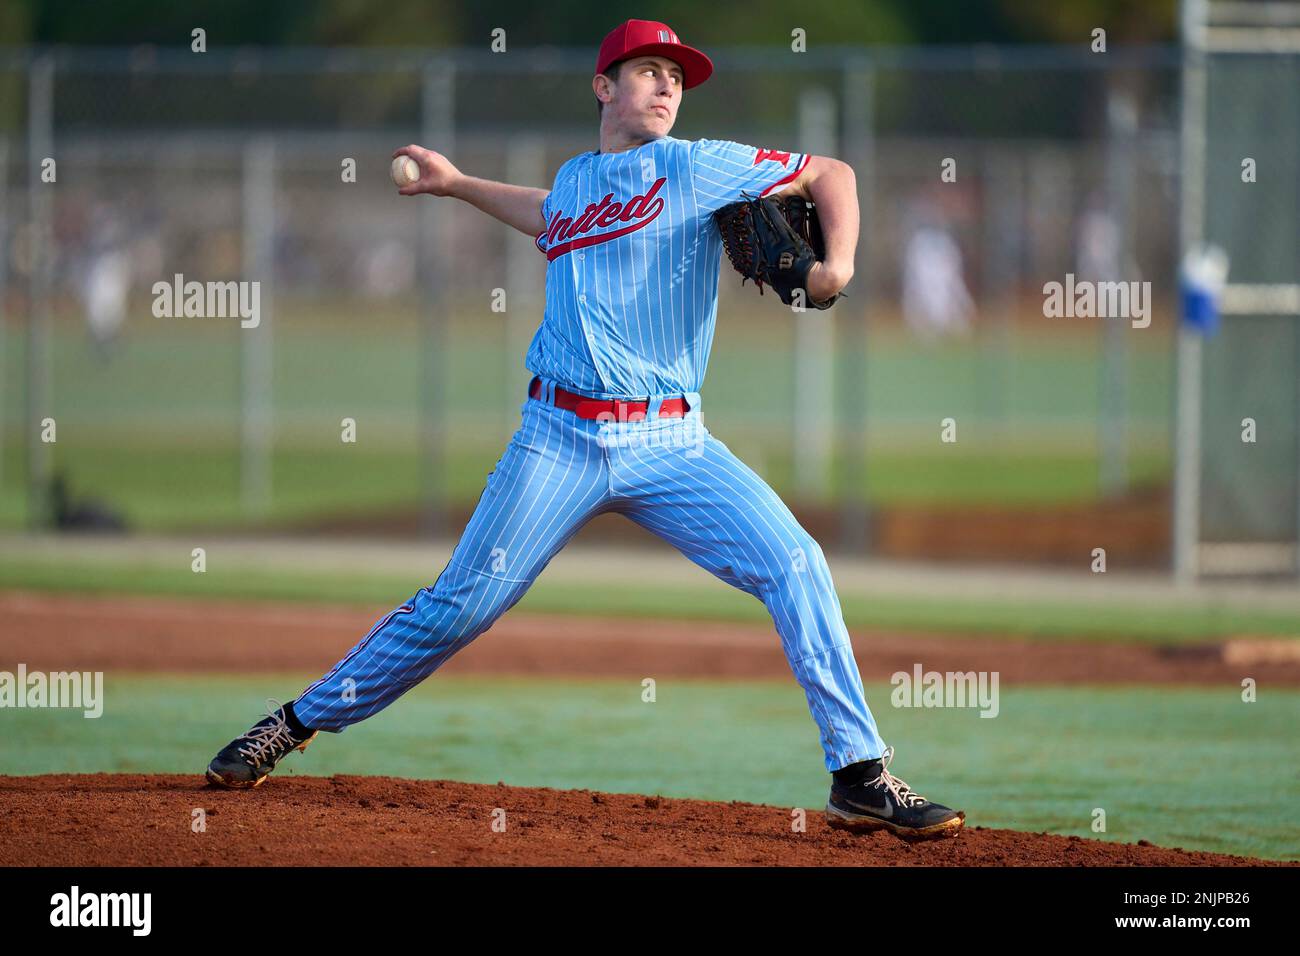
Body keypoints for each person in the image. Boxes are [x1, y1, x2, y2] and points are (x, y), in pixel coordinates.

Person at [206, 19, 964, 841]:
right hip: (558, 438)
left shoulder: (694, 164)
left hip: (673, 444)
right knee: (459, 608)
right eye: (648, 70)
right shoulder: (576, 179)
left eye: (677, 76)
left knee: (796, 561)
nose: (669, 85)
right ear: (604, 87)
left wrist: (836, 266)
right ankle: (294, 721)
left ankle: (859, 776)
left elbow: (831, 173)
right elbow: (549, 213)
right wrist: (457, 183)